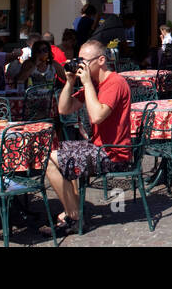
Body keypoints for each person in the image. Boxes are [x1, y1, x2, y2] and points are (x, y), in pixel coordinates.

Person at [43, 40, 134, 234]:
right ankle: (75, 212)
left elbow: (97, 116)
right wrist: (69, 82)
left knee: (51, 161)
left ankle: (74, 216)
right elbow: (64, 109)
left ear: (101, 60)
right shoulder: (94, 84)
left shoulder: (114, 82)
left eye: (84, 61)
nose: (80, 65)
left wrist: (86, 84)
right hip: (98, 147)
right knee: (51, 152)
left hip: (114, 153)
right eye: (79, 61)